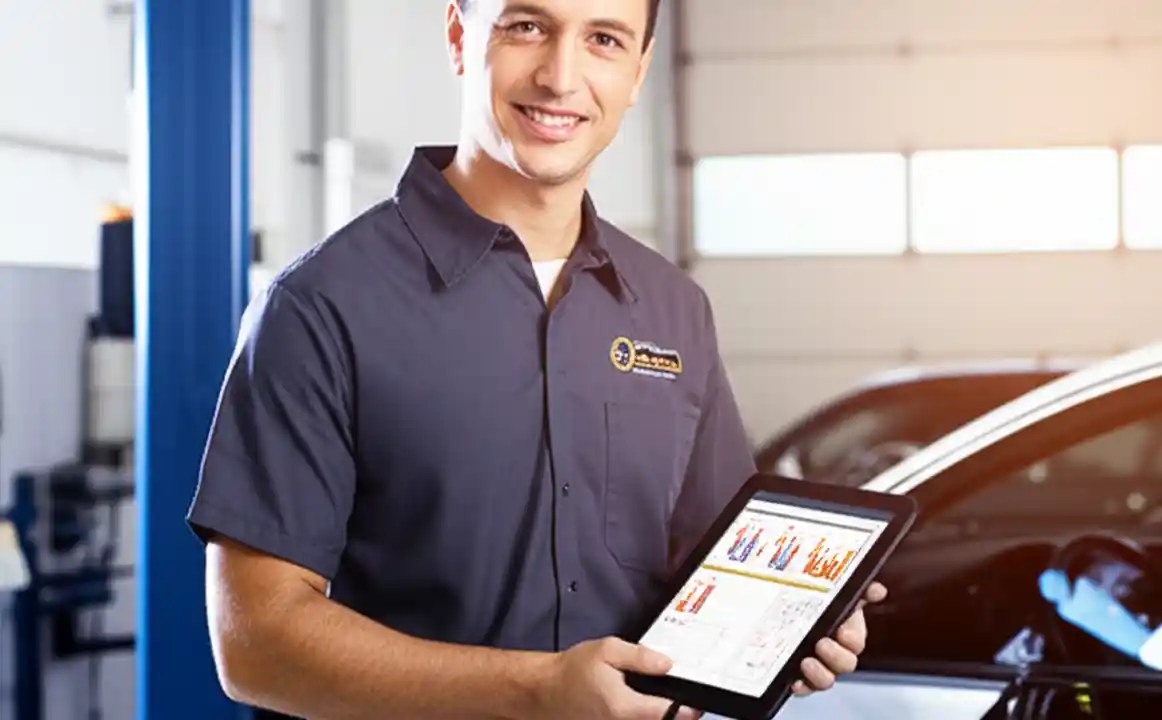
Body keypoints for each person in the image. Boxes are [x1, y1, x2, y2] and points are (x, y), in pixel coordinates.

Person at [188, 1, 886, 718]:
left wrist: (791, 621)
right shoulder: (320, 306)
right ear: (460, 36)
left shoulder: (673, 308)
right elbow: (257, 644)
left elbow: (712, 573)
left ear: (640, 69)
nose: (561, 77)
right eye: (527, 26)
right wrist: (535, 691)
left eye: (604, 40)